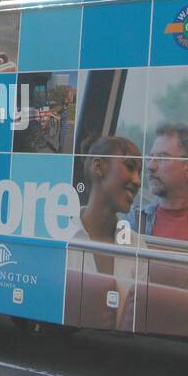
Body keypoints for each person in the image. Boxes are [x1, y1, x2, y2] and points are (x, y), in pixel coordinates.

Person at [68, 135, 142, 331]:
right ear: (98, 167)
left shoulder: (137, 245)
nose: (138, 180)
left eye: (140, 172)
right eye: (130, 167)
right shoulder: (61, 236)